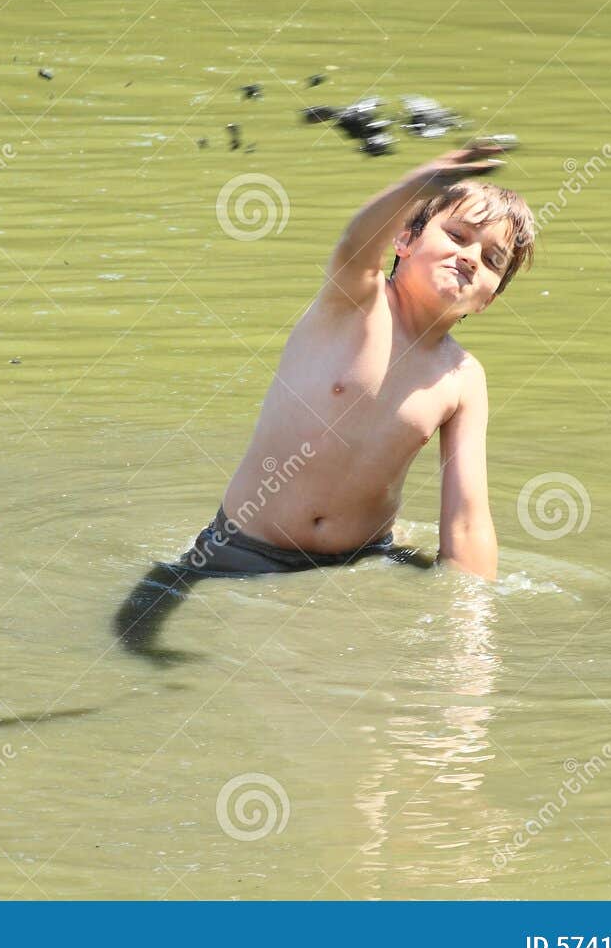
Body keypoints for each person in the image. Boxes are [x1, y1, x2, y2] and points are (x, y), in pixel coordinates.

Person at [115, 141, 537, 658]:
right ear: (404, 238)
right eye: (456, 235)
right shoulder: (353, 303)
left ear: (490, 298)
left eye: (491, 260)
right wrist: (420, 183)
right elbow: (355, 240)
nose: (470, 258)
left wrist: (472, 640)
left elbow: (467, 520)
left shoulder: (463, 378)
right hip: (245, 551)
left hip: (363, 560)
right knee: (166, 637)